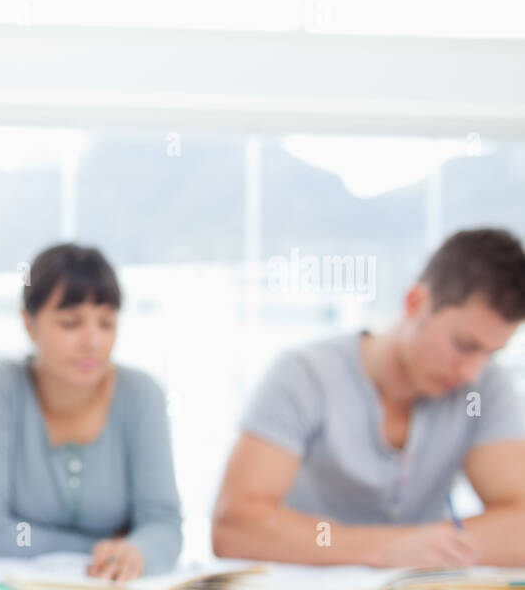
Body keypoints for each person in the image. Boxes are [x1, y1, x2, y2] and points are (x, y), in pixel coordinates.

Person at [212, 228, 525, 568]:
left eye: (490, 355)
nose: (471, 373)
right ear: (416, 303)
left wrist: (431, 546)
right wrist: (387, 548)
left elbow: (519, 525)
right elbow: (236, 526)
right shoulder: (306, 376)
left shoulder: (478, 396)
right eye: (464, 346)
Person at [0, 243, 182, 581]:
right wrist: (100, 548)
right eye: (70, 323)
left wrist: (137, 552)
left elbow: (163, 525)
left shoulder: (141, 395)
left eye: (106, 323)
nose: (92, 341)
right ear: (29, 324)